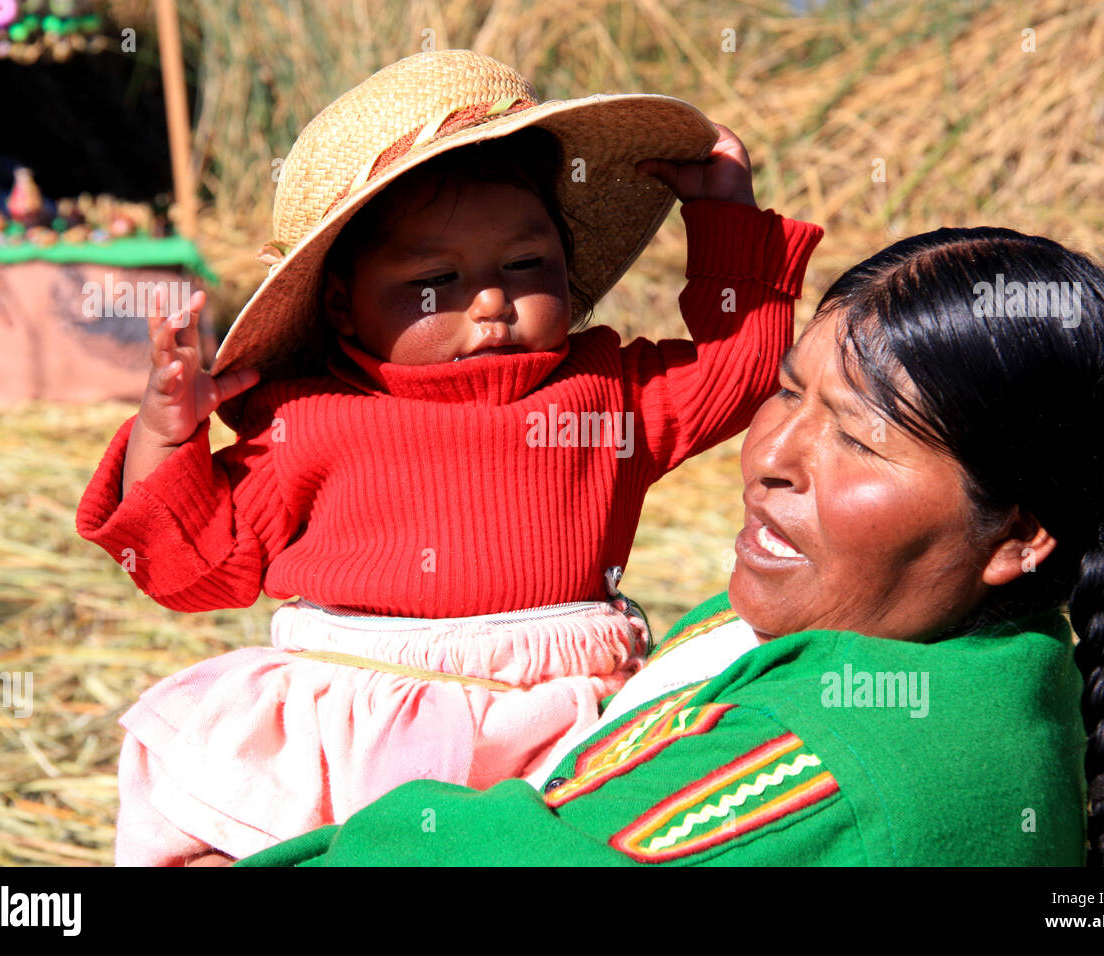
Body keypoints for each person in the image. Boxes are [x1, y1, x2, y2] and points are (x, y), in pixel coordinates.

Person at [73, 50, 823, 865]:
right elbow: (192, 569)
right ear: (342, 306)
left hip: (558, 722)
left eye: (526, 265)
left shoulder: (605, 395)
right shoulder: (308, 420)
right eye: (437, 280)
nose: (493, 300)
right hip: (361, 729)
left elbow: (738, 368)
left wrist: (729, 217)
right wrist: (166, 437)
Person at [237, 225, 1104, 867]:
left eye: (860, 440)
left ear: (1021, 533)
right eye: (790, 394)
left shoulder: (825, 766)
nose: (769, 458)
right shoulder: (924, 638)